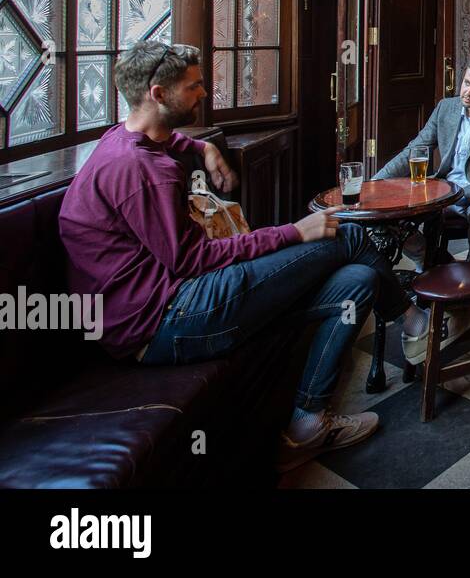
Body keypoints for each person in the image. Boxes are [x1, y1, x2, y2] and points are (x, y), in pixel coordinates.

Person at [58, 42, 430, 472]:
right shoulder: (141, 172)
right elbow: (194, 261)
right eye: (194, 86)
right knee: (346, 235)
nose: (203, 93)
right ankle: (411, 319)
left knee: (358, 282)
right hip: (162, 321)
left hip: (168, 305)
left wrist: (204, 149)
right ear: (158, 94)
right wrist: (293, 231)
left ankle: (308, 425)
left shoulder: (130, 140)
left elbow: (172, 142)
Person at [373, 54, 470, 363]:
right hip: (444, 188)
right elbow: (416, 148)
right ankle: (430, 262)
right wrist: (377, 182)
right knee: (393, 219)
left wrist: (454, 195)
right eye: (466, 83)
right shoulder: (446, 107)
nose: (468, 92)